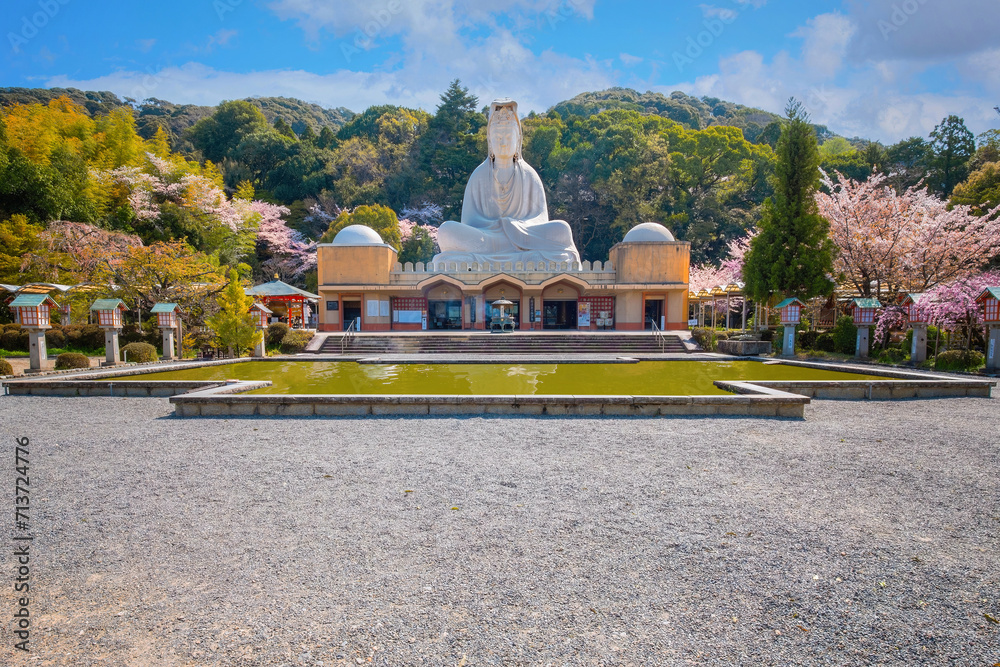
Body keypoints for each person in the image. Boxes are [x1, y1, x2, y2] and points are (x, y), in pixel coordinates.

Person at [433, 99, 581, 266]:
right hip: (486, 238)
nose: (503, 142)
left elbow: (540, 218)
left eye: (508, 136)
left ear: (518, 140)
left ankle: (480, 260)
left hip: (523, 237)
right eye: (498, 137)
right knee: (446, 231)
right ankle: (525, 259)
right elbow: (469, 222)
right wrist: (498, 228)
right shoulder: (479, 175)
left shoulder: (528, 175)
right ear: (490, 141)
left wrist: (513, 227)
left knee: (562, 230)